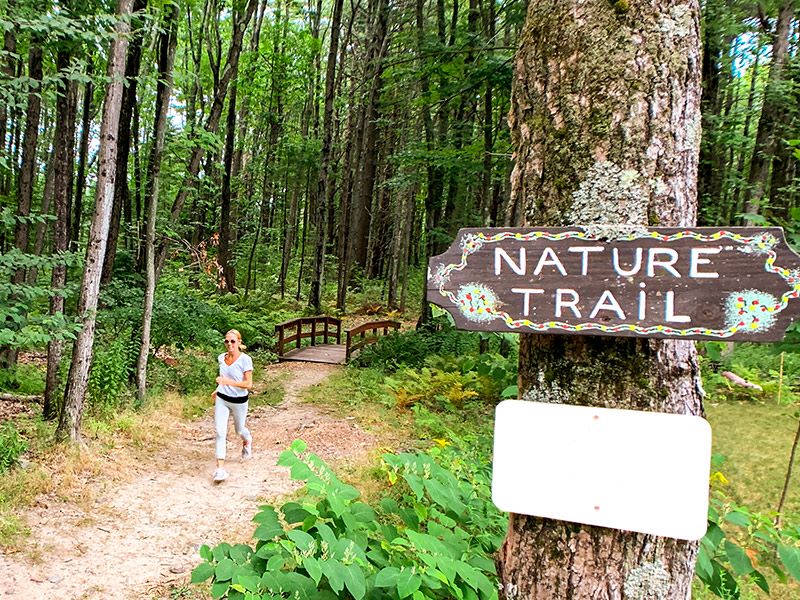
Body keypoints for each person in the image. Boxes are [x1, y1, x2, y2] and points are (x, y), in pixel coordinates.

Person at [211, 329, 253, 483]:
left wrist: (227, 383)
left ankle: (247, 440)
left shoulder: (245, 360)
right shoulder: (221, 358)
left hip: (239, 401)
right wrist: (218, 389)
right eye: (227, 341)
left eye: (233, 341)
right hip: (222, 398)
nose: (229, 344)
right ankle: (220, 469)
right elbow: (224, 377)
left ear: (239, 343)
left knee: (239, 430)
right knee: (220, 432)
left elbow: (248, 384)